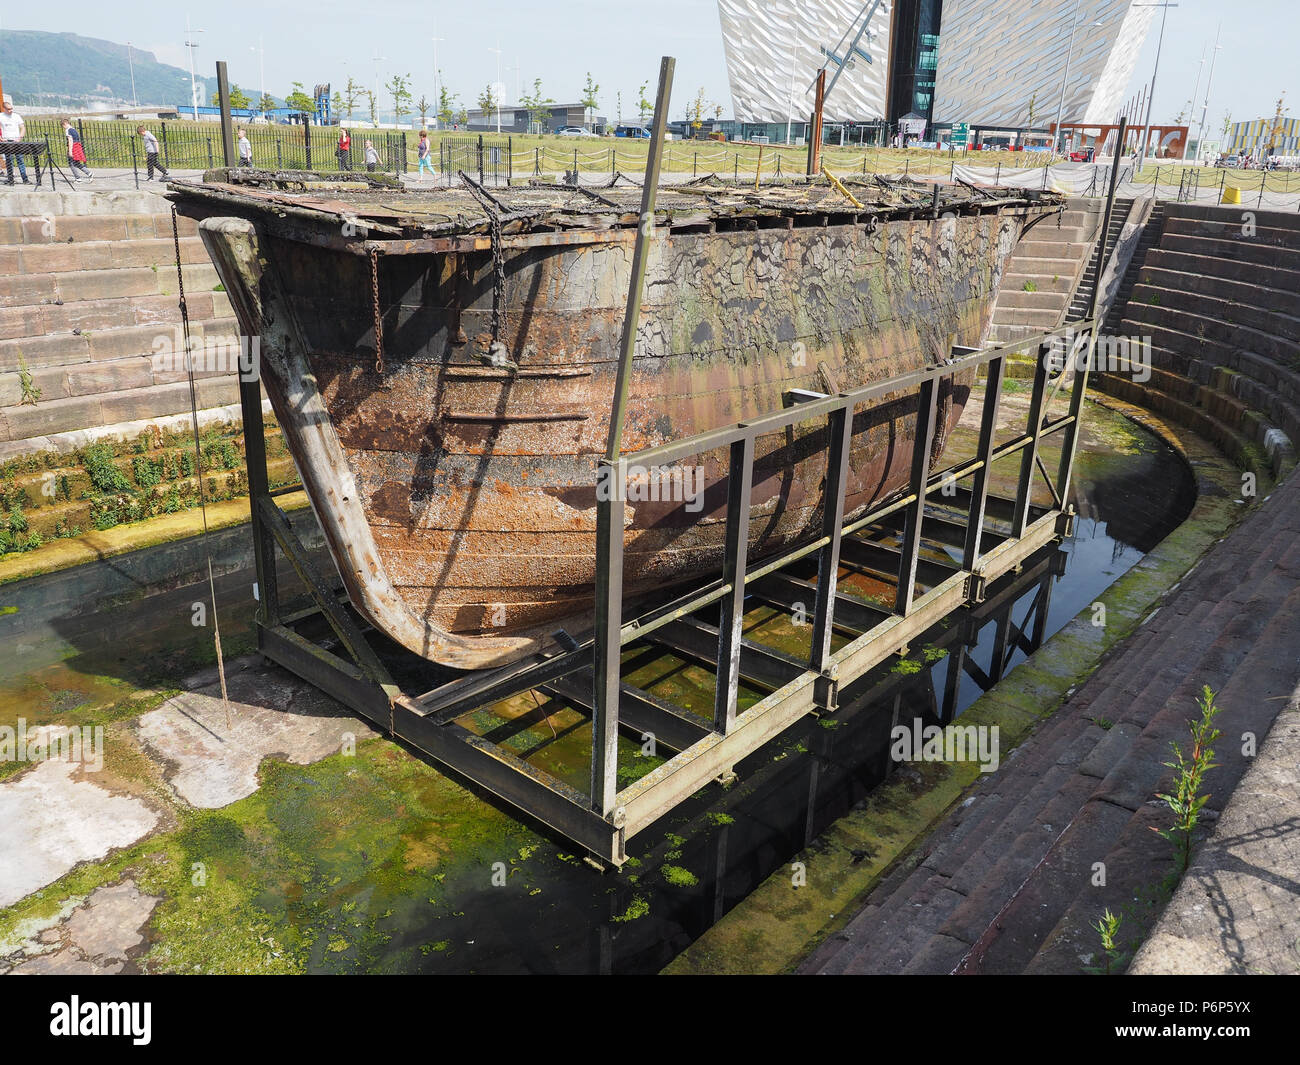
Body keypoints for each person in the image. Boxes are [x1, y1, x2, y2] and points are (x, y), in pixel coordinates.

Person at [0, 101, 29, 185]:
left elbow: (23, 128)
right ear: (4, 109)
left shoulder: (17, 116)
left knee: (20, 160)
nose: (11, 110)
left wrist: (20, 137)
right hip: (6, 141)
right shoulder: (1, 116)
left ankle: (25, 179)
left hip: (16, 141)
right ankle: (10, 179)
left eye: (11, 108)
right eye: (8, 109)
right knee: (9, 160)